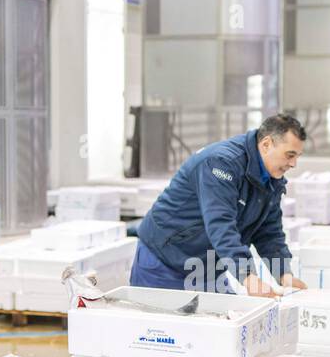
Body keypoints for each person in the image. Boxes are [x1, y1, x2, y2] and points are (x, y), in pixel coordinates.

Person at [132, 113, 308, 297]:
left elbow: (268, 231)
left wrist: (284, 275)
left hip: (206, 267)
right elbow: (220, 223)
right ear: (266, 144)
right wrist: (248, 277)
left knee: (229, 320)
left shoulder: (271, 179)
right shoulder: (221, 164)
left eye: (297, 156)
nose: (294, 164)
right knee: (163, 324)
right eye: (290, 155)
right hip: (165, 261)